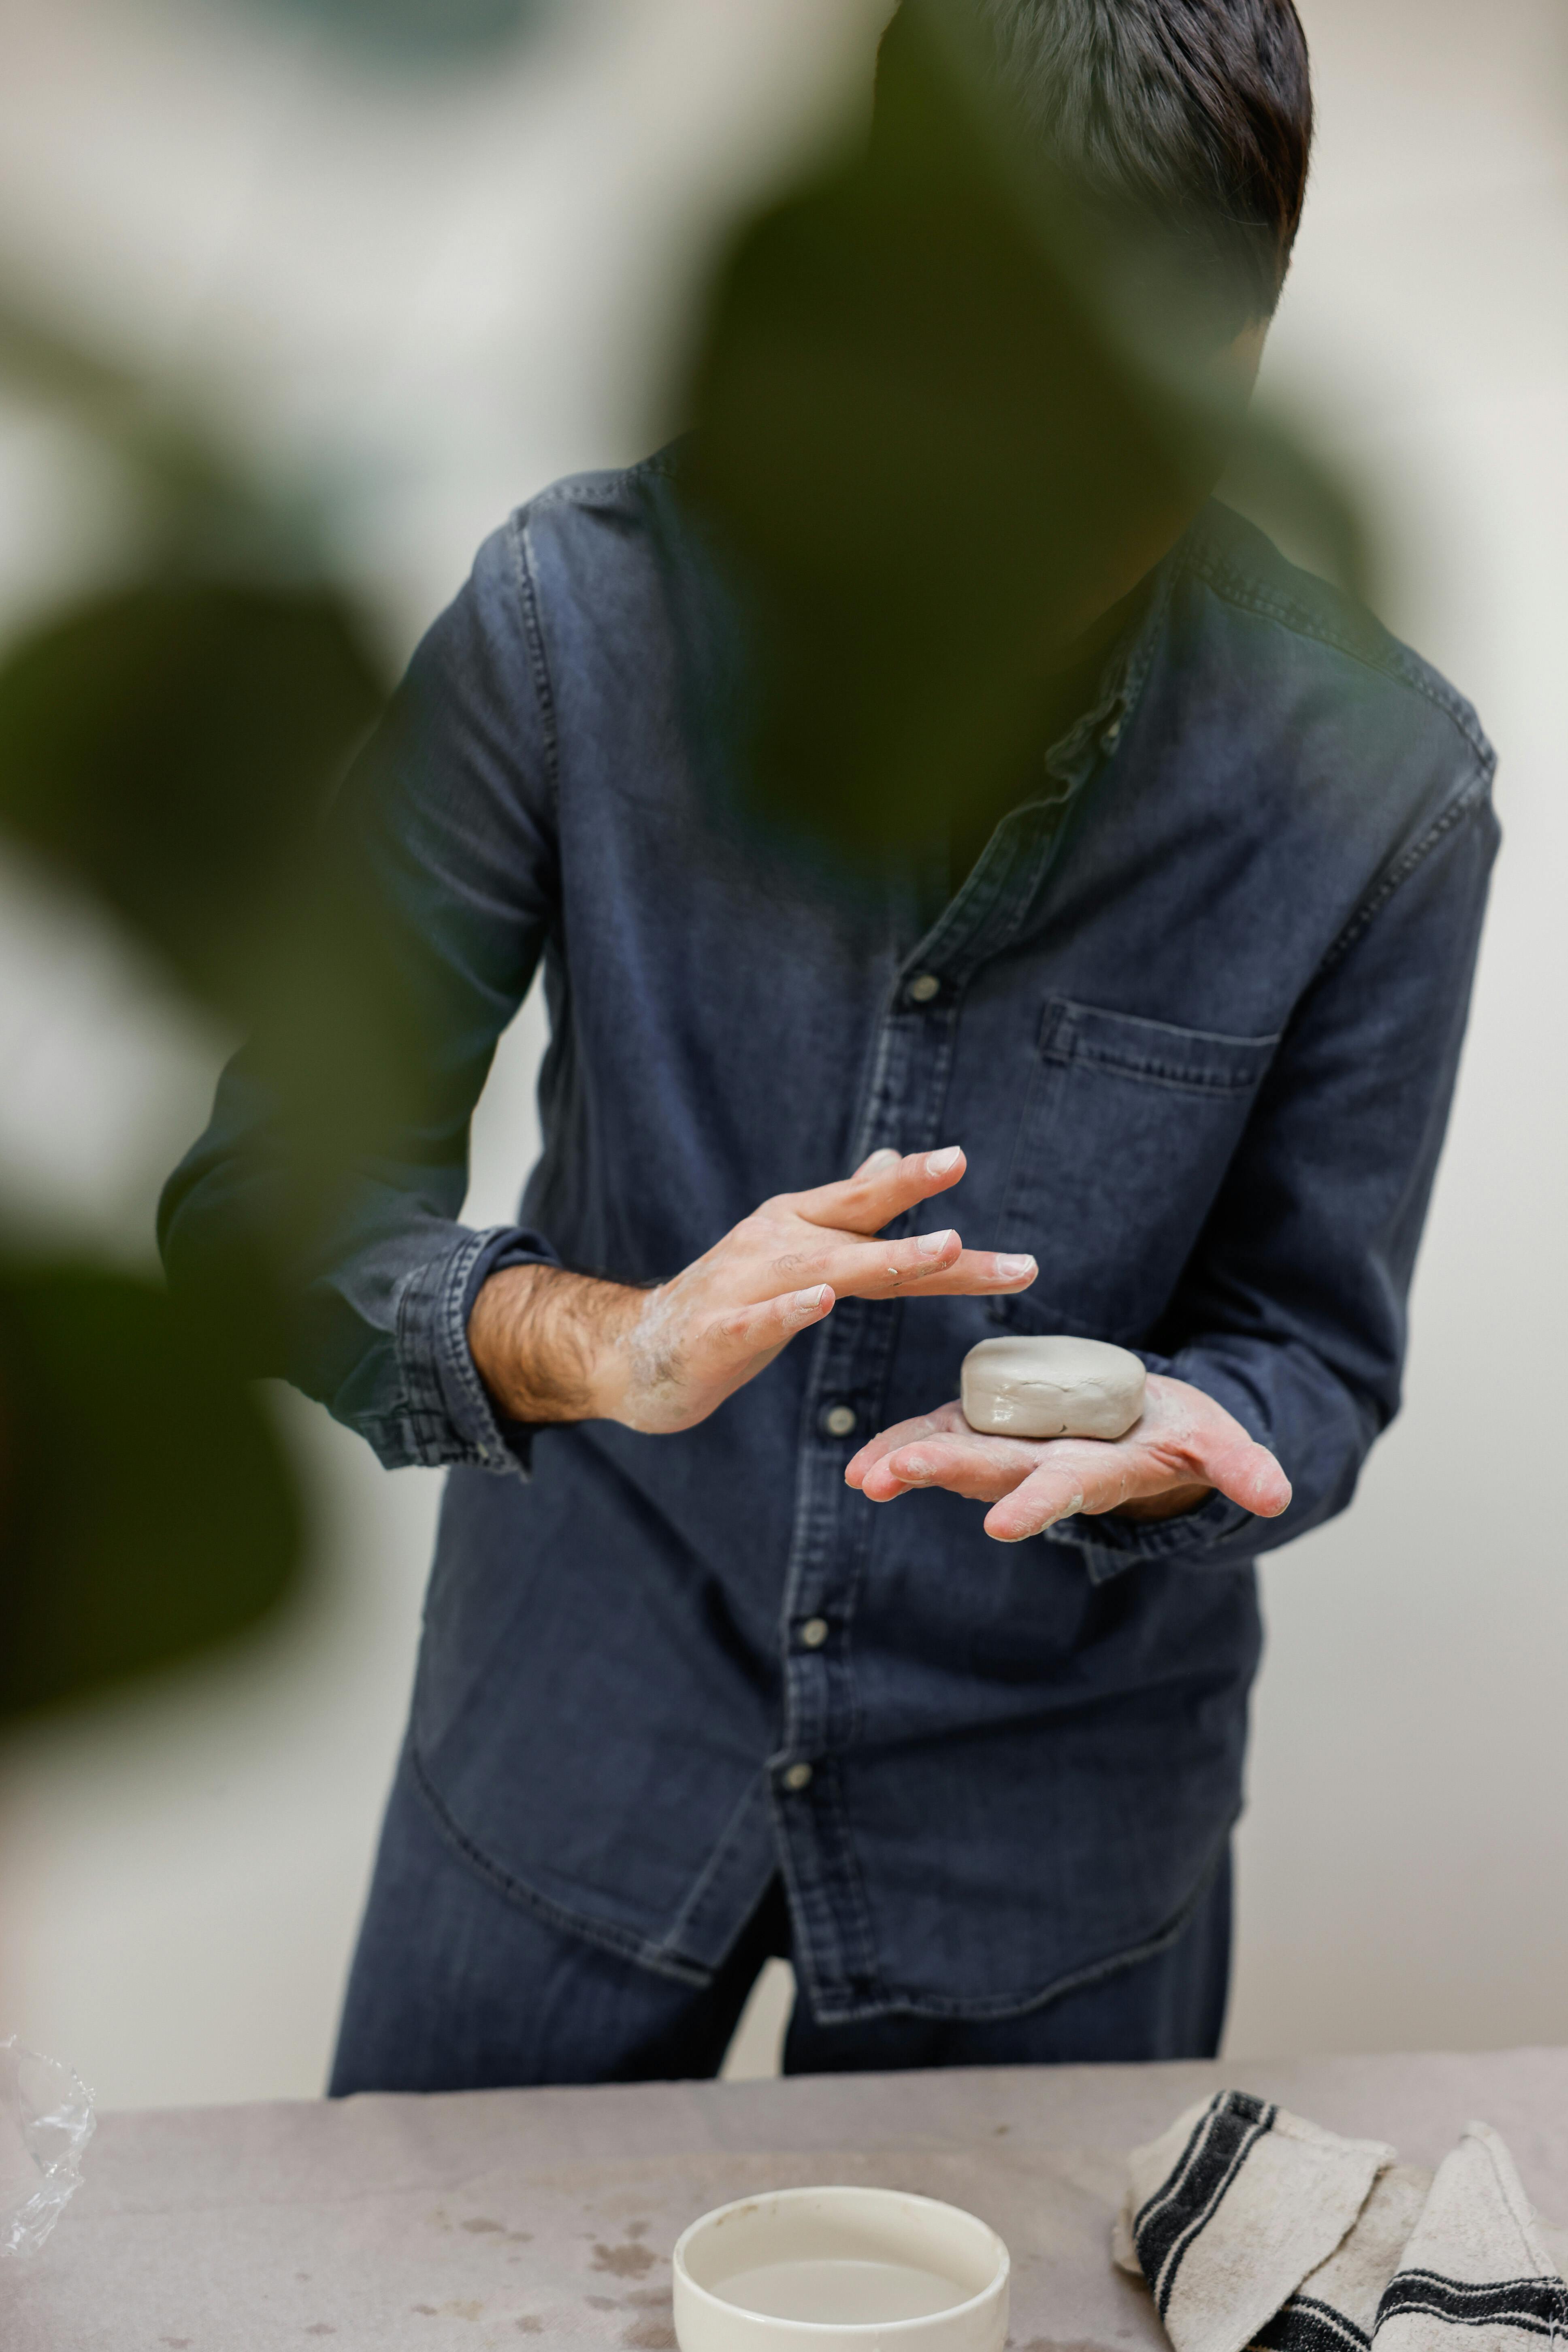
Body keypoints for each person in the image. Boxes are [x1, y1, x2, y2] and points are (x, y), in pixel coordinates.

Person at [160, 0, 1496, 2090]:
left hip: (1052, 1846)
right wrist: (606, 1345)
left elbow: (1311, 1357)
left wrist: (1178, 1450)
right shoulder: (573, 622)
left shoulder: (1380, 787)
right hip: (571, 1752)